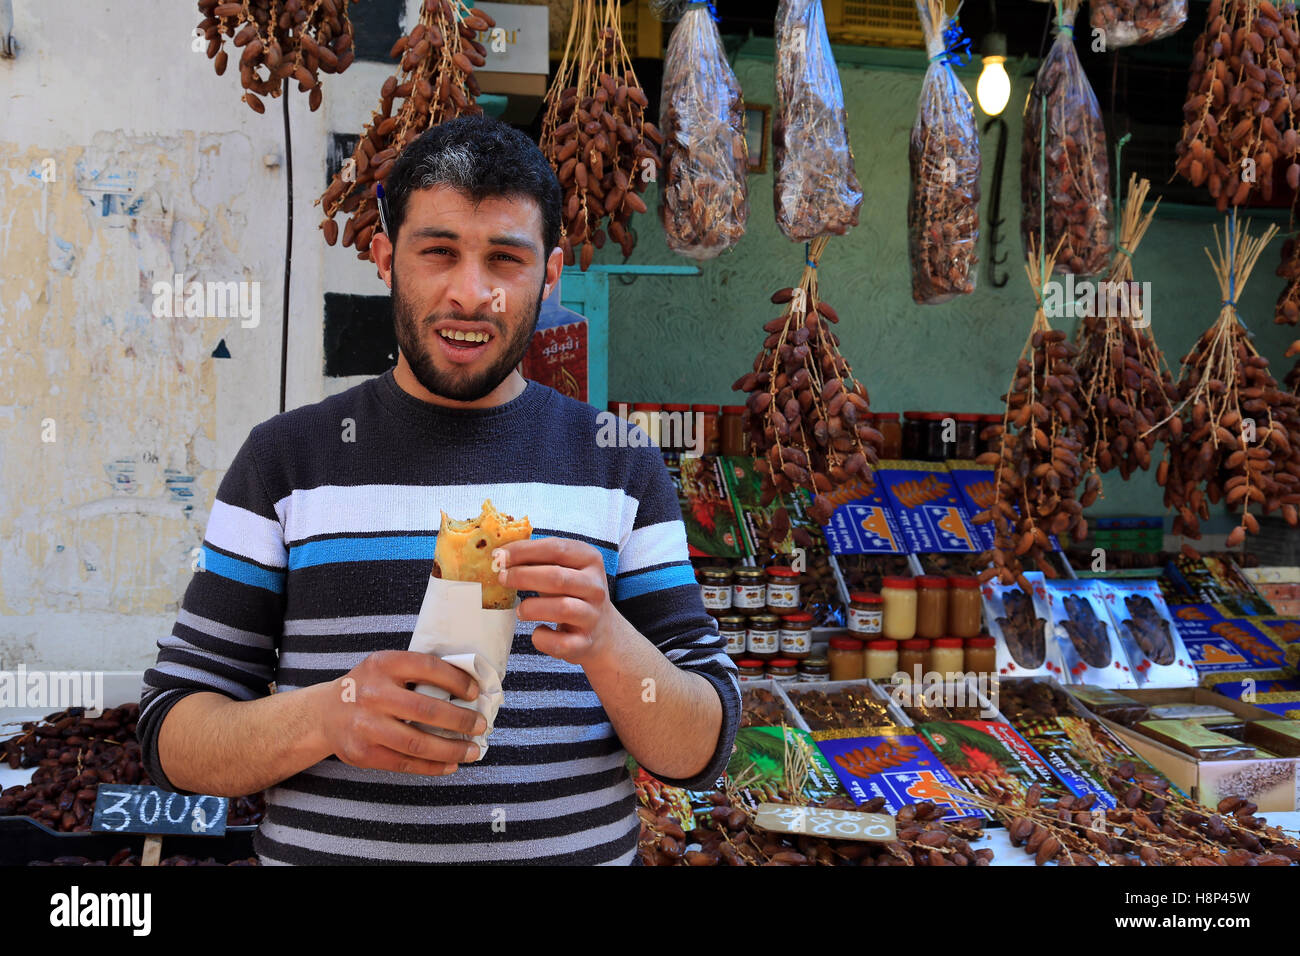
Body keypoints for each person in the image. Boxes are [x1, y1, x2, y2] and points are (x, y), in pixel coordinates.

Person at [137, 115, 740, 865]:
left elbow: (701, 749)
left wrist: (611, 643)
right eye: (439, 253)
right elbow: (171, 734)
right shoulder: (285, 461)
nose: (471, 293)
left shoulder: (618, 464)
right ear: (388, 258)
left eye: (505, 260)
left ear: (550, 274)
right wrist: (330, 716)